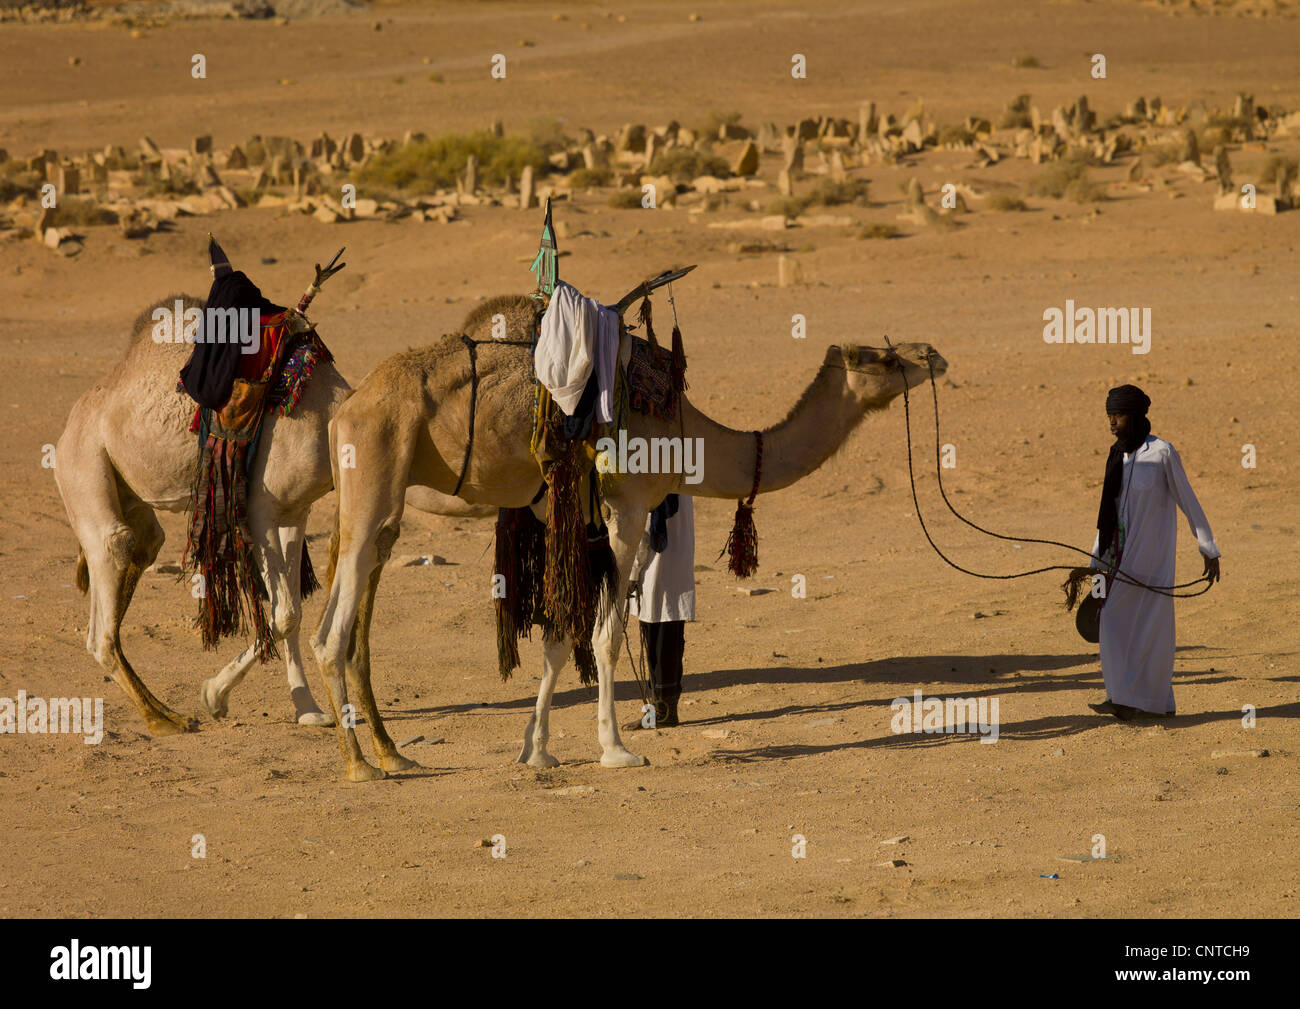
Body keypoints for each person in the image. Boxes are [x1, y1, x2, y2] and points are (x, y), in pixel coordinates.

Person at [1087, 384, 1221, 721]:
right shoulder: (1118, 454)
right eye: (1109, 416)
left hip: (1153, 560)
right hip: (1119, 557)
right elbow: (1108, 513)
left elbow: (1188, 501)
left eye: (1116, 416)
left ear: (1133, 416)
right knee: (1111, 622)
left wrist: (1208, 548)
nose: (1111, 422)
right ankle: (1119, 696)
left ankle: (1156, 704)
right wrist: (1094, 560)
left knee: (1151, 632)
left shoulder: (1161, 453)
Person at [627, 494, 695, 728]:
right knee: (668, 638)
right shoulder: (677, 478)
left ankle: (663, 713)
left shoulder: (656, 481)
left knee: (659, 641)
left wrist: (631, 572)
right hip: (672, 569)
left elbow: (644, 528)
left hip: (655, 570)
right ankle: (663, 711)